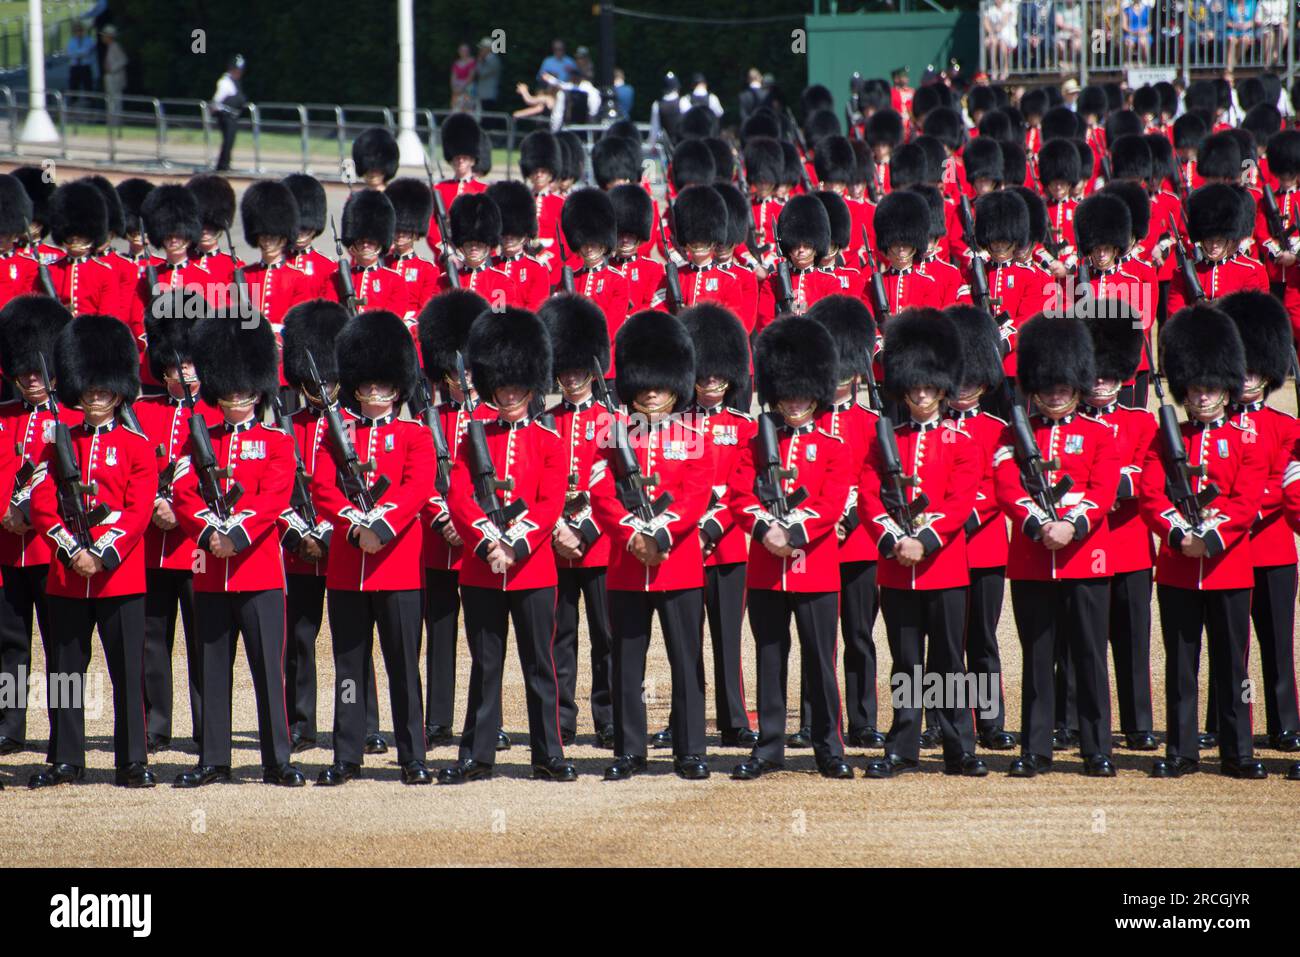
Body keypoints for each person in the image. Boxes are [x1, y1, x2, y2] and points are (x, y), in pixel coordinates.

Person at [441, 307, 575, 785]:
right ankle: (477, 754)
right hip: (481, 570)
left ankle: (548, 753)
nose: (511, 395)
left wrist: (513, 547)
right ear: (493, 387)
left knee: (540, 664)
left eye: (517, 387)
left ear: (531, 386)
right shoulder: (472, 439)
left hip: (532, 569)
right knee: (485, 664)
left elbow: (549, 503)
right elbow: (458, 496)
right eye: (503, 388)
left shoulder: (548, 441)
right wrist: (486, 544)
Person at [170, 313, 304, 789]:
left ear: (257, 392)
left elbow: (273, 498)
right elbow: (184, 491)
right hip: (210, 571)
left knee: (268, 669)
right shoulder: (199, 439)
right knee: (211, 667)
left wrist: (236, 535)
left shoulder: (276, 443)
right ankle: (213, 758)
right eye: (227, 392)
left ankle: (277, 760)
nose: (234, 401)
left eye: (242, 392)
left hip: (258, 571)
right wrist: (209, 534)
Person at [1142, 305, 1268, 779]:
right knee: (1181, 663)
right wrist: (1178, 532)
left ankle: (1238, 751)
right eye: (1194, 389)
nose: (1202, 397)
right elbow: (1152, 494)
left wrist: (1209, 538)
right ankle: (1181, 749)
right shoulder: (1167, 438)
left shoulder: (1246, 436)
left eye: (1210, 389)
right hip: (1177, 566)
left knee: (1232, 668)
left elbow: (1247, 498)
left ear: (1226, 388)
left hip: (1227, 566)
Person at [860, 309, 986, 778]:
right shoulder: (886, 439)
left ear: (941, 388)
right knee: (906, 659)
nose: (921, 394)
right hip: (897, 567)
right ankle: (903, 744)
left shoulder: (962, 439)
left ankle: (958, 745)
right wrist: (895, 538)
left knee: (950, 661)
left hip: (944, 567)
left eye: (929, 387)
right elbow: (868, 494)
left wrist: (925, 540)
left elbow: (959, 500)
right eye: (915, 387)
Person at [312, 312, 435, 786]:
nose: (375, 394)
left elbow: (417, 487)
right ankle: (348, 753)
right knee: (348, 667)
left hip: (398, 567)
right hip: (347, 567)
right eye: (367, 386)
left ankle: (413, 755)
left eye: (385, 386)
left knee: (403, 666)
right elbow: (323, 488)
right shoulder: (336, 434)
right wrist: (352, 525)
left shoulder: (414, 435)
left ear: (399, 387)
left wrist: (379, 527)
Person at [28, 315, 151, 789]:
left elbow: (137, 511)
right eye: (89, 392)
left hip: (118, 576)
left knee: (127, 672)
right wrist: (69, 548)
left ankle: (132, 760)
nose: (96, 399)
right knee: (64, 673)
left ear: (118, 394)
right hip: (66, 576)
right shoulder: (57, 445)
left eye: (104, 392)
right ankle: (66, 757)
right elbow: (42, 506)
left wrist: (99, 552)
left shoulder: (137, 446)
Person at [727, 318, 853, 781]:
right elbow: (739, 493)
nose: (795, 404)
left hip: (815, 568)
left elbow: (829, 503)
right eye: (788, 396)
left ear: (815, 394)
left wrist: (791, 534)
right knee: (770, 656)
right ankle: (770, 745)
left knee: (820, 660)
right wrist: (765, 531)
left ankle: (828, 746)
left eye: (802, 396)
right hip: (764, 567)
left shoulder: (833, 446)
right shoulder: (757, 444)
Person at [995, 314, 1120, 778]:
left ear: (1077, 385)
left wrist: (1071, 524)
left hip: (1085, 557)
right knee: (1037, 657)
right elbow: (1006, 487)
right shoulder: (1014, 435)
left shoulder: (1099, 433)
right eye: (1046, 387)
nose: (1054, 394)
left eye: (1062, 386)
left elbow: (1103, 489)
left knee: (1089, 656)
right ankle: (1035, 748)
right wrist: (1037, 523)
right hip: (1032, 559)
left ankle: (1096, 747)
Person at [590, 311, 713, 781]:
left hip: (676, 563)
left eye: (659, 385)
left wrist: (659, 534)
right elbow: (601, 490)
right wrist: (630, 534)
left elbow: (695, 493)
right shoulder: (613, 435)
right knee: (626, 661)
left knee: (686, 660)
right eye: (644, 385)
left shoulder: (693, 435)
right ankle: (629, 748)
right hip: (626, 564)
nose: (652, 393)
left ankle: (689, 748)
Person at [1209, 292, 1300, 753]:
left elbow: (1286, 485)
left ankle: (1286, 722)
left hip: (1272, 548)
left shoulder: (1286, 427)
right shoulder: (1214, 430)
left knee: (1277, 644)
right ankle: (1226, 720)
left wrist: (1250, 506)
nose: (1246, 380)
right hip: (1227, 549)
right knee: (1229, 647)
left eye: (1253, 372)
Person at [135, 298, 222, 755]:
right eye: (174, 366)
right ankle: (155, 725)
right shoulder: (143, 411)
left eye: (189, 364)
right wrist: (154, 504)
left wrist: (180, 512)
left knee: (204, 639)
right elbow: (133, 471)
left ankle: (210, 727)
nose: (183, 374)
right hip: (151, 543)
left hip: (197, 542)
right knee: (152, 640)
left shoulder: (216, 412)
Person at [1080, 309, 1160, 752]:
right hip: (1082, 545)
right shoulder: (1069, 425)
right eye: (1095, 374)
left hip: (1128, 545)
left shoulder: (1140, 421)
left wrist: (1099, 485)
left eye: (1109, 376)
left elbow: (1148, 479)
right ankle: (1075, 719)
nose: (1101, 383)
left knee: (1132, 641)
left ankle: (1137, 723)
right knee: (1081, 642)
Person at [415, 289, 491, 748]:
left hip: (480, 542)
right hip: (438, 541)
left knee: (486, 642)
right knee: (439, 633)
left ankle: (486, 720)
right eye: (452, 374)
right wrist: (443, 515)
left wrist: (467, 523)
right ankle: (439, 719)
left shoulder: (491, 418)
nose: (460, 381)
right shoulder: (430, 418)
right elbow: (420, 477)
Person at [540, 294, 617, 749]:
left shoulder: (611, 420)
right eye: (564, 372)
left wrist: (581, 530)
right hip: (555, 545)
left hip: (597, 543)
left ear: (591, 369)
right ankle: (561, 718)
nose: (570, 380)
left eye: (576, 371)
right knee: (560, 638)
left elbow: (608, 483)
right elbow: (543, 485)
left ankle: (607, 717)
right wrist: (556, 530)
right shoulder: (547, 422)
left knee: (606, 638)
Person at [0, 297, 75, 759]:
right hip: (8, 550)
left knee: (62, 650)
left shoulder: (70, 416)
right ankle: (10, 724)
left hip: (51, 549)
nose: (30, 378)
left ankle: (63, 731)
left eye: (37, 369)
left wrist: (31, 512)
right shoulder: (5, 416)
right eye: (23, 370)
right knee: (9, 648)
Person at [211, 55, 246, 173]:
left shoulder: (235, 82)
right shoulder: (225, 82)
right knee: (227, 140)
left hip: (232, 116)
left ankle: (225, 163)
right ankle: (222, 165)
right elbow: (218, 98)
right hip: (225, 115)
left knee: (229, 141)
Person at [100, 24, 128, 128]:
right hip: (110, 77)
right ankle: (112, 123)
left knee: (116, 100)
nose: (103, 37)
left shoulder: (115, 46)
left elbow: (123, 60)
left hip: (115, 77)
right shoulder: (110, 47)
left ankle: (116, 123)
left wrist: (112, 68)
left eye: (105, 35)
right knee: (111, 101)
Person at [66, 21, 97, 110]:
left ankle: (90, 102)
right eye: (77, 31)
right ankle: (73, 102)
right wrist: (81, 53)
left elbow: (87, 51)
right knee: (73, 85)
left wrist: (79, 53)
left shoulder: (89, 40)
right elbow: (70, 53)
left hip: (85, 66)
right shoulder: (71, 41)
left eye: (80, 30)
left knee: (88, 85)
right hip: (75, 66)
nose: (79, 32)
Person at [475, 38, 501, 112]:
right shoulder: (488, 60)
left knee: (488, 119)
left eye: (482, 48)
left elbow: (481, 73)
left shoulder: (493, 61)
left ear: (488, 49)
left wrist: (479, 62)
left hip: (489, 95)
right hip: (483, 95)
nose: (480, 50)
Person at [451, 43, 477, 113]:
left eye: (465, 51)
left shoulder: (472, 61)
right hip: (458, 88)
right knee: (456, 108)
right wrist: (455, 87)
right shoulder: (456, 63)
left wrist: (462, 87)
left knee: (468, 109)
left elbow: (471, 76)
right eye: (462, 51)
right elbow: (453, 77)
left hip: (468, 88)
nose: (463, 52)